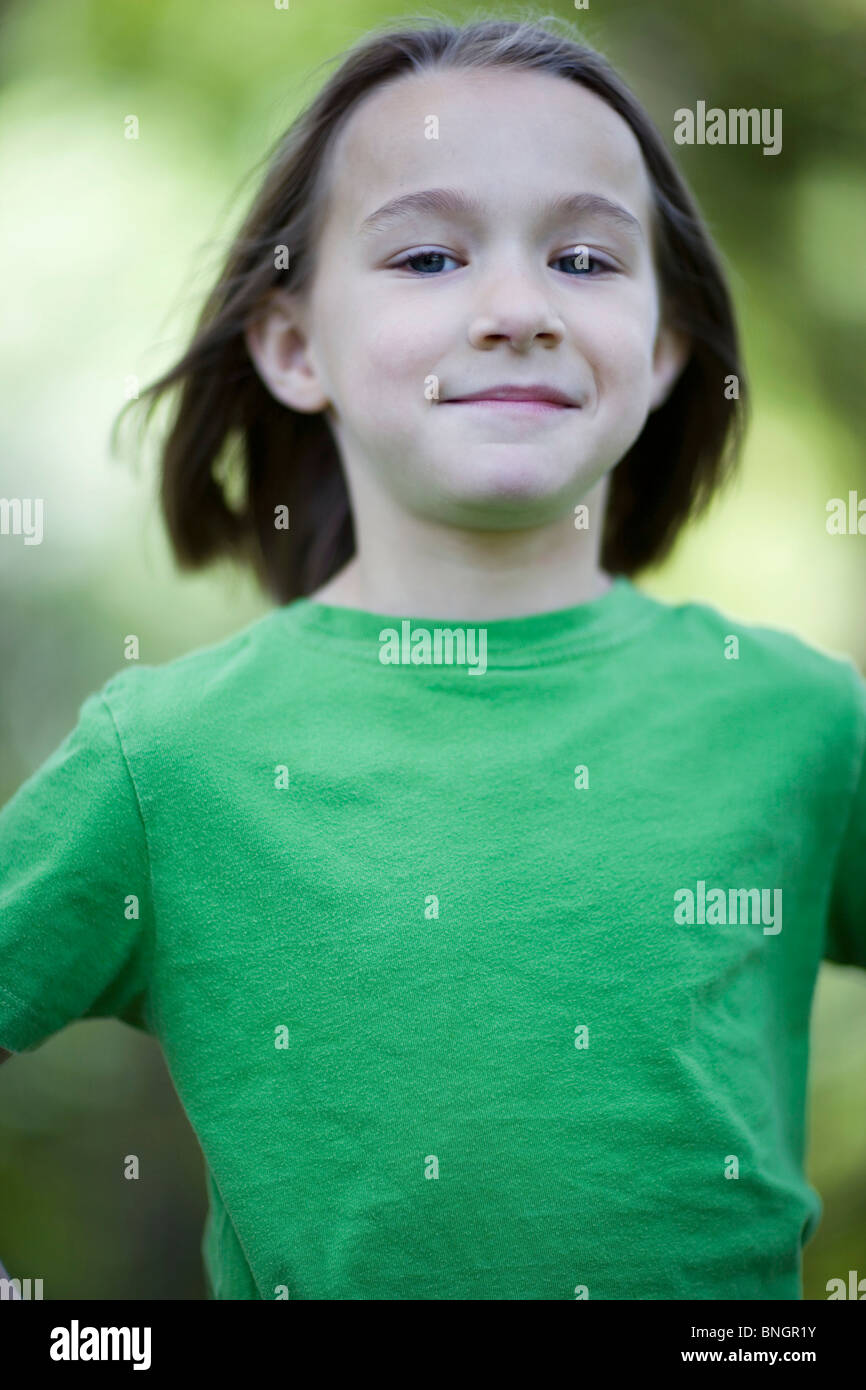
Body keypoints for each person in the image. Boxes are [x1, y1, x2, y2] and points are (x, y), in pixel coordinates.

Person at [0, 15, 863, 1301]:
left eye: (581, 255)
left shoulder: (798, 721)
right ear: (294, 348)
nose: (516, 310)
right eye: (425, 255)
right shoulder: (167, 759)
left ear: (665, 346)